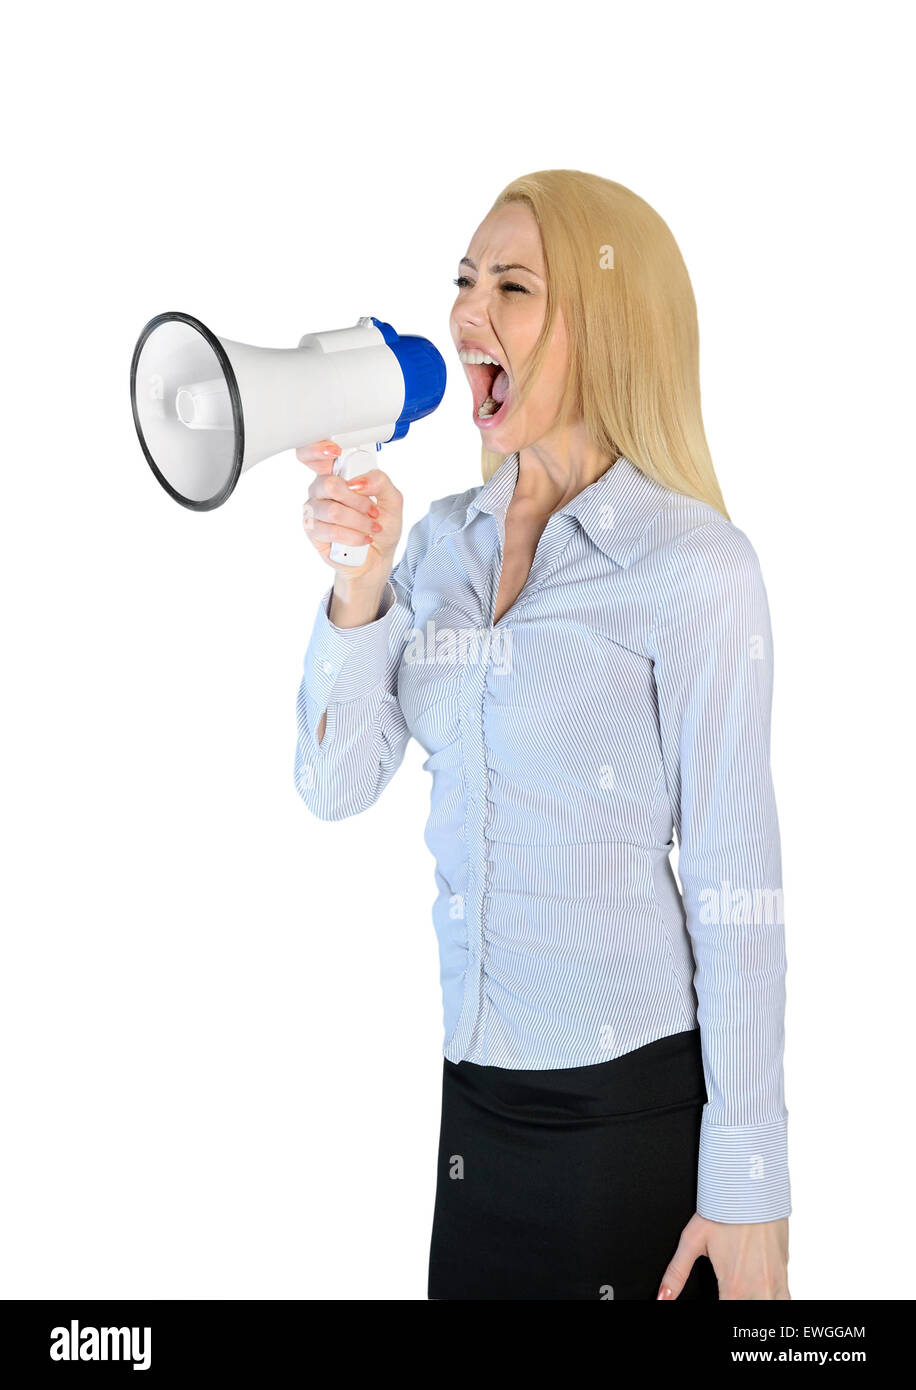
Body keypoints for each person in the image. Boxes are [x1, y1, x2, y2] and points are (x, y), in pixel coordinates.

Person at [293, 170, 791, 1301]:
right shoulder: (441, 547)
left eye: (512, 286)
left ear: (608, 328)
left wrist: (751, 1184)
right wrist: (358, 590)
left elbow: (732, 873)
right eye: (465, 280)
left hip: (627, 1117)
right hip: (472, 1108)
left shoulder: (696, 569)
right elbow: (333, 784)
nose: (468, 312)